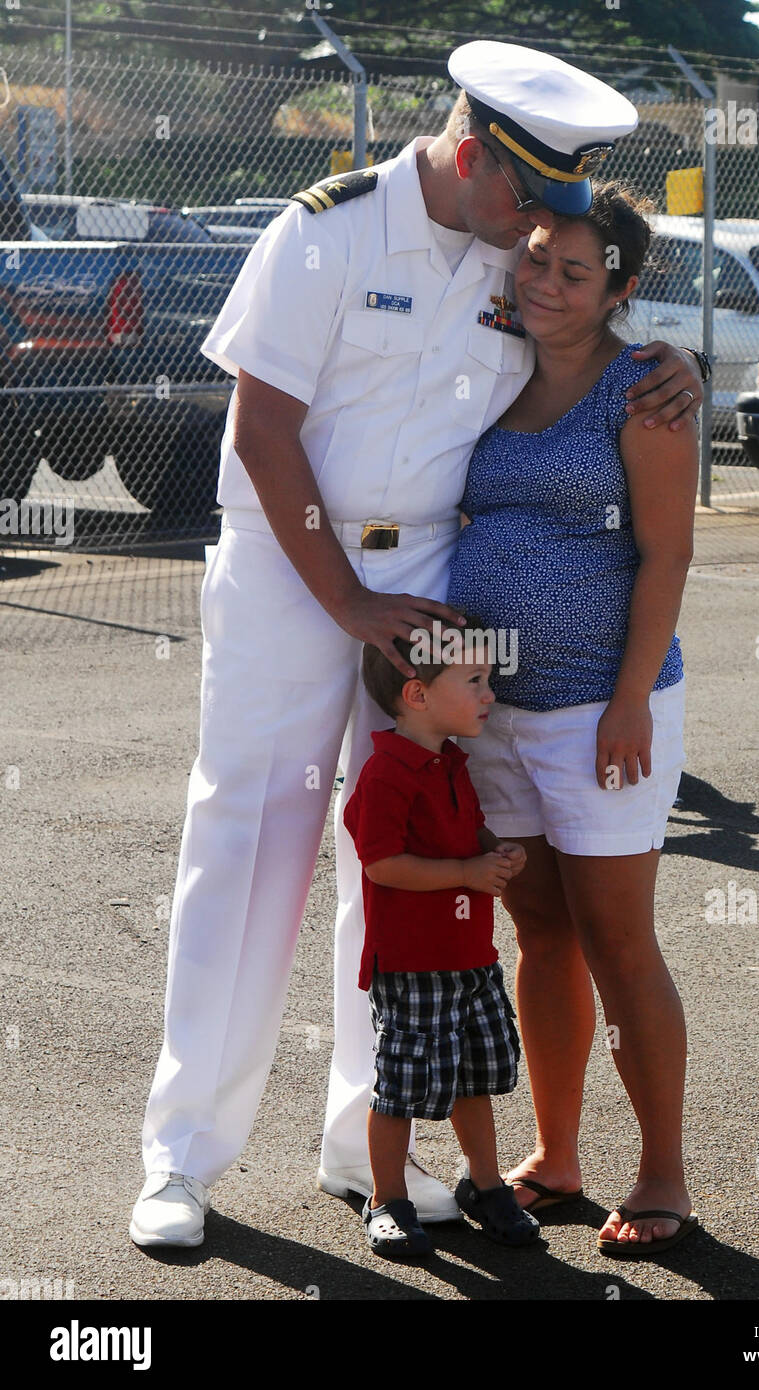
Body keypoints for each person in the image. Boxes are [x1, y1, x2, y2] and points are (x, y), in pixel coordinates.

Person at [130, 38, 708, 1249]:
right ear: (468, 148)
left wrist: (675, 365)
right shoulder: (326, 230)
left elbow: (587, 342)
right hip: (301, 569)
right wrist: (343, 597)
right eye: (523, 194)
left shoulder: (518, 249)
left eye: (552, 207)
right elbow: (263, 428)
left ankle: (364, 1140)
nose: (530, 227)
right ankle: (183, 1157)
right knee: (253, 840)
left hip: (432, 570)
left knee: (401, 851)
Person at [446, 179, 700, 1257]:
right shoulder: (489, 354)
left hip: (605, 708)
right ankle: (557, 1159)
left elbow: (667, 552)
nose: (545, 282)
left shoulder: (644, 387)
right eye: (538, 257)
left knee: (617, 938)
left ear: (619, 293)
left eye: (575, 272)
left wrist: (629, 699)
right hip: (494, 710)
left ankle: (663, 1176)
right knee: (538, 929)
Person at [343, 625, 539, 1258]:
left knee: (473, 1078)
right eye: (475, 681)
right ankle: (387, 1199)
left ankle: (484, 1187)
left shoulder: (452, 759)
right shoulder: (385, 774)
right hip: (411, 965)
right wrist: (465, 874)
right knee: (399, 1087)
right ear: (417, 695)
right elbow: (382, 863)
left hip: (469, 958)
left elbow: (466, 831)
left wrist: (492, 852)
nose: (490, 692)